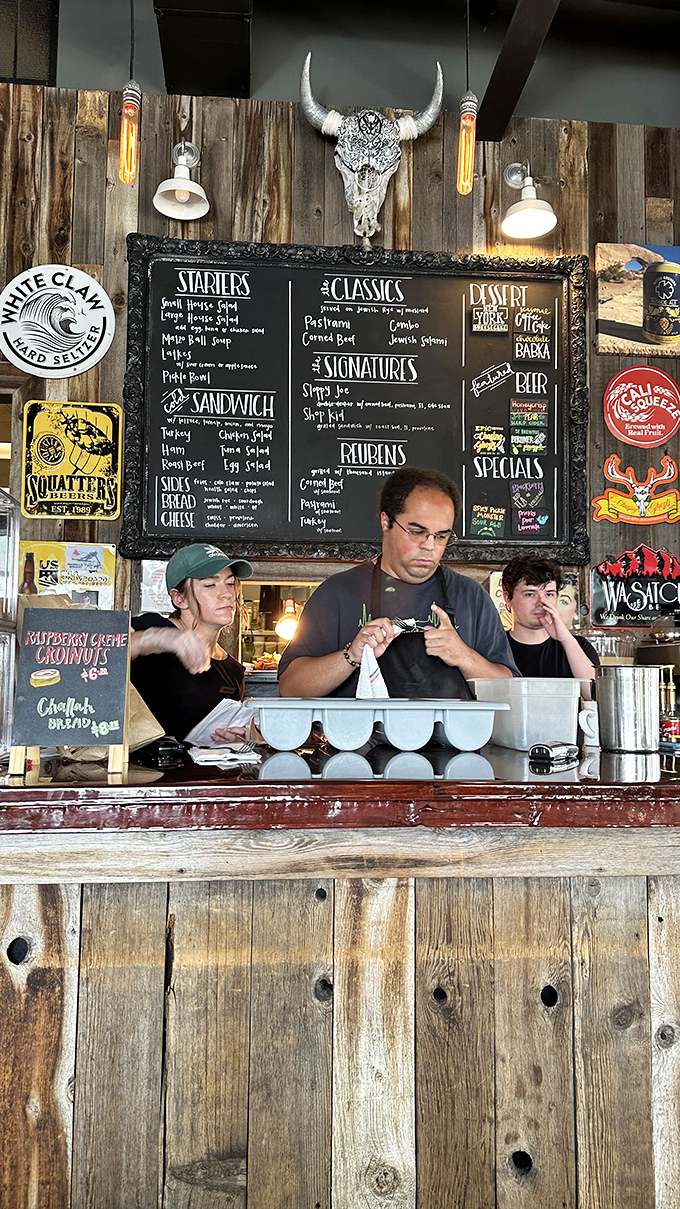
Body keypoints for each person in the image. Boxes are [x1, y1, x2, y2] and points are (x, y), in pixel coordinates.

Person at [278, 466, 517, 700]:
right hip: (359, 739)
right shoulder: (337, 593)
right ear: (386, 521)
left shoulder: (470, 596)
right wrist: (351, 656)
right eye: (416, 531)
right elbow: (290, 688)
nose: (429, 545)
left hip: (451, 739)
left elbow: (510, 691)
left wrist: (463, 656)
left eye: (441, 536)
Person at [130, 543, 253, 741]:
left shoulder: (233, 670)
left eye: (230, 584)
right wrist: (156, 638)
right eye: (210, 585)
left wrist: (235, 739)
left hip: (195, 771)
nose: (227, 594)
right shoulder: (150, 625)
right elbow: (97, 651)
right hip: (139, 770)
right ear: (180, 599)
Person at [501, 555, 599, 693]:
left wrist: (565, 639)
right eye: (530, 594)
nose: (541, 602)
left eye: (549, 594)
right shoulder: (495, 648)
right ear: (508, 599)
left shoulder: (578, 646)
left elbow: (594, 695)